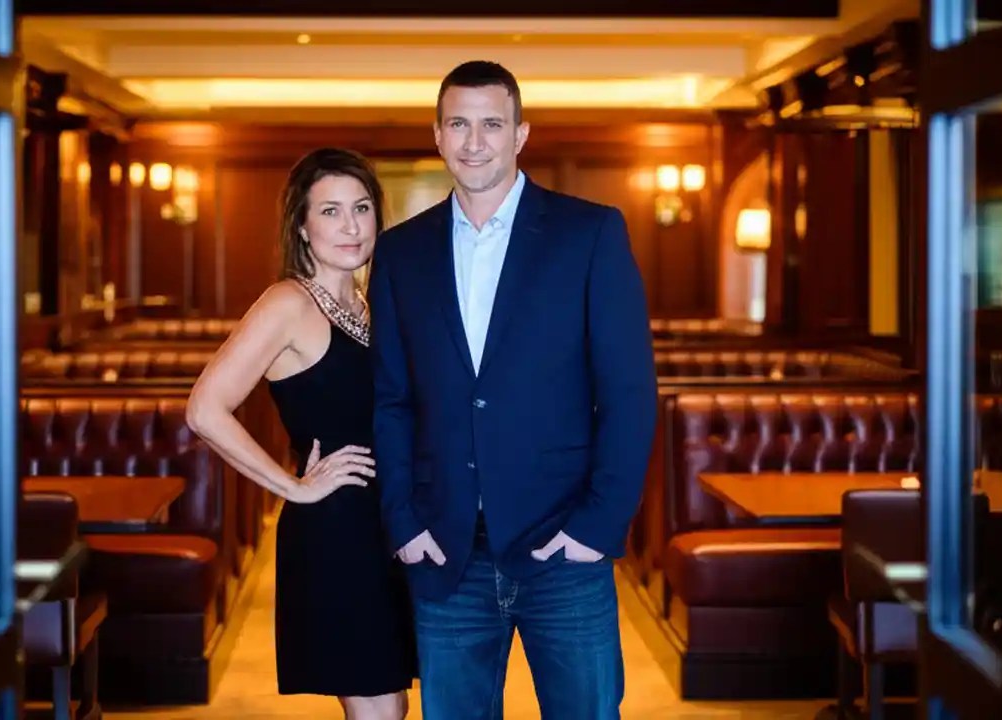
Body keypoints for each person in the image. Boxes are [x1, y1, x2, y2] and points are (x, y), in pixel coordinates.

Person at [368, 61, 658, 719]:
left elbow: (630, 394)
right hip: (444, 552)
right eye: (459, 124)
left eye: (492, 124)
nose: (475, 141)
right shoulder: (400, 253)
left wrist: (598, 525)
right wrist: (402, 520)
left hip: (565, 548)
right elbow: (392, 399)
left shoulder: (590, 233)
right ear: (438, 135)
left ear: (521, 134)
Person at [187, 147, 416, 720]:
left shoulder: (363, 303)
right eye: (332, 211)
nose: (351, 225)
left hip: (384, 524)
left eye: (361, 208)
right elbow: (205, 409)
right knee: (378, 707)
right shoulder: (286, 302)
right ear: (303, 227)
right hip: (337, 530)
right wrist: (293, 487)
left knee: (392, 702)